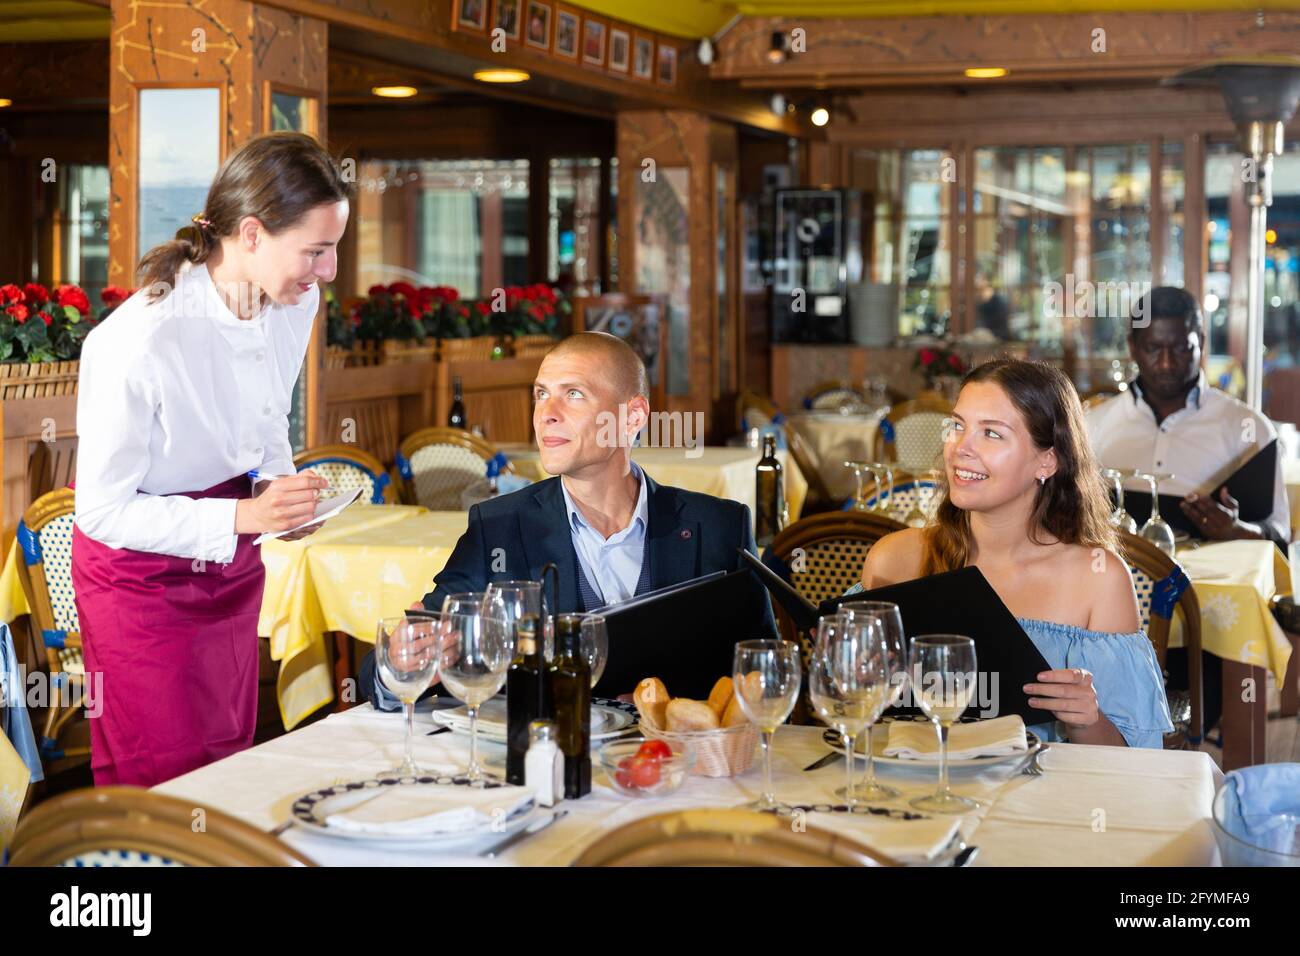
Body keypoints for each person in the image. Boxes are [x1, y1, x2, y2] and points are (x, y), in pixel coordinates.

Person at [72, 132, 351, 786]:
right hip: (137, 580)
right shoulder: (137, 340)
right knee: (162, 782)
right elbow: (102, 512)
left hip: (231, 564)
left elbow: (267, 415)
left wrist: (282, 500)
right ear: (251, 235)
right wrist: (245, 516)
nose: (329, 272)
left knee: (227, 769)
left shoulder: (293, 300)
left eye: (334, 248)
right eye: (316, 251)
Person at [360, 332, 777, 709]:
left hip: (685, 776)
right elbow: (388, 668)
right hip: (547, 774)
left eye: (574, 393)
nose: (547, 413)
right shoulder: (499, 526)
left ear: (631, 418)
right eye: (541, 394)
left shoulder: (720, 527)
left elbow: (768, 678)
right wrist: (399, 663)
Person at [853, 358, 1173, 748]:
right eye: (957, 426)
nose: (960, 449)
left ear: (1047, 460)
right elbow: (848, 723)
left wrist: (1086, 719)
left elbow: (1135, 764)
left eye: (991, 433)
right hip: (910, 796)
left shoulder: (1098, 579)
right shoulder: (893, 560)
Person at [1086, 286, 1290, 548]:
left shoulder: (1248, 428)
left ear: (1201, 343)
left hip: (1212, 586)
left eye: (1182, 348)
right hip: (1110, 581)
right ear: (1133, 348)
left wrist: (1237, 531)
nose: (1167, 363)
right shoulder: (1092, 423)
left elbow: (1281, 532)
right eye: (1154, 348)